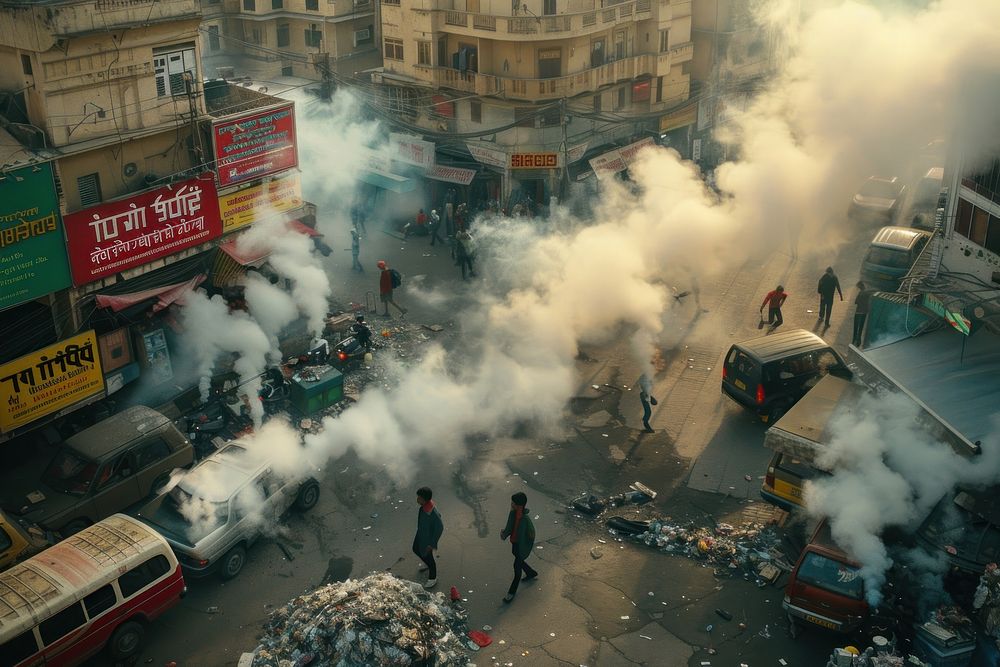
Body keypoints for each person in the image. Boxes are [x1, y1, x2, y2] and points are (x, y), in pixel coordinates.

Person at [500, 491, 537, 603]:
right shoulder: (513, 514)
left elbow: (532, 533)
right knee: (515, 554)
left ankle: (511, 593)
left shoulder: (526, 519)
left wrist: (526, 541)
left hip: (522, 546)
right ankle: (531, 573)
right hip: (515, 543)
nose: (511, 504)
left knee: (517, 566)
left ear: (519, 505)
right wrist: (505, 533)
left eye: (513, 503)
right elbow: (509, 526)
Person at [412, 487, 444, 589]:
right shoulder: (424, 507)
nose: (417, 499)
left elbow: (440, 527)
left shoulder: (432, 512)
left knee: (428, 557)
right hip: (421, 533)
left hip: (427, 539)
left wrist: (432, 543)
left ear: (425, 499)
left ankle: (432, 578)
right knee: (415, 548)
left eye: (419, 498)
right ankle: (427, 564)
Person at [853, 281, 873, 347]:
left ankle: (854, 341)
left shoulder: (861, 293)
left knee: (856, 327)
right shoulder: (867, 293)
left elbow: (856, 302)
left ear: (860, 287)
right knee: (861, 327)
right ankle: (859, 341)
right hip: (864, 312)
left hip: (858, 312)